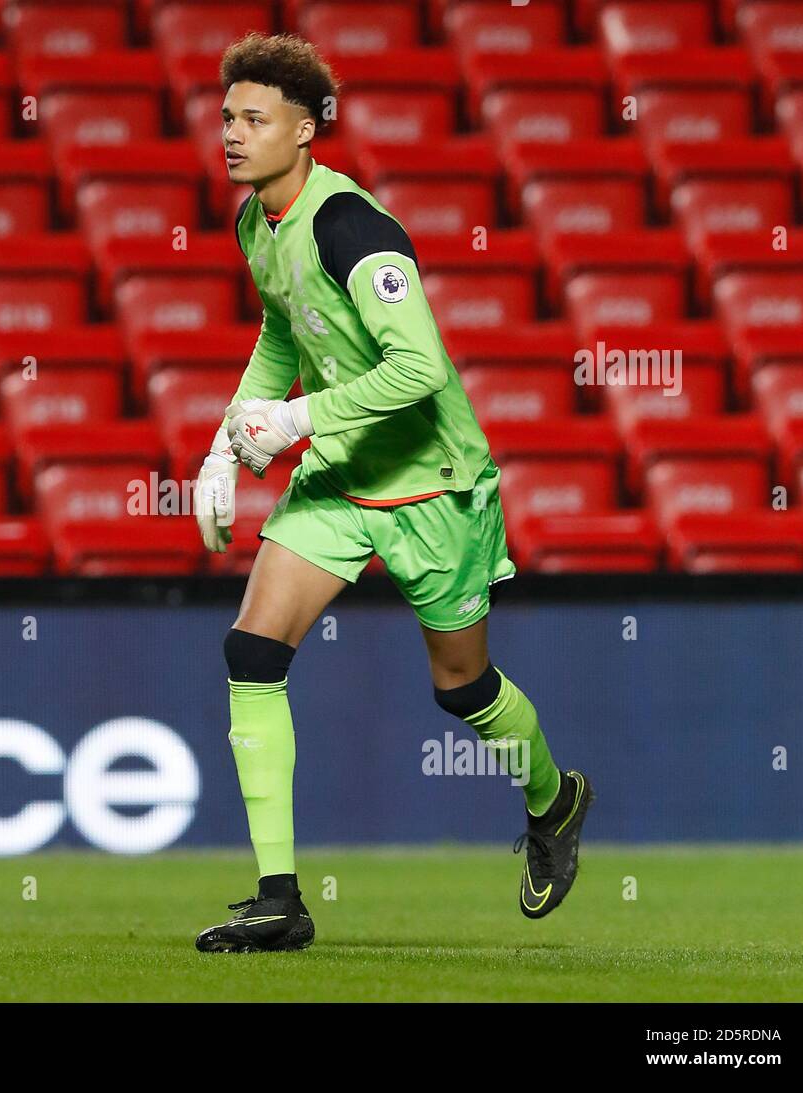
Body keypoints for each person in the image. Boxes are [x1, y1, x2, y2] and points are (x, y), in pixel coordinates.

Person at [191, 33, 593, 954]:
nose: (234, 135)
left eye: (255, 120)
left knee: (462, 687)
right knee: (253, 649)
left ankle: (553, 801)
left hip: (432, 479)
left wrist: (293, 425)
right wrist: (226, 444)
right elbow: (282, 342)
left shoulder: (352, 228)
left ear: (304, 130)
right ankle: (279, 899)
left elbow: (420, 367)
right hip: (342, 474)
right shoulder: (258, 222)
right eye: (227, 118)